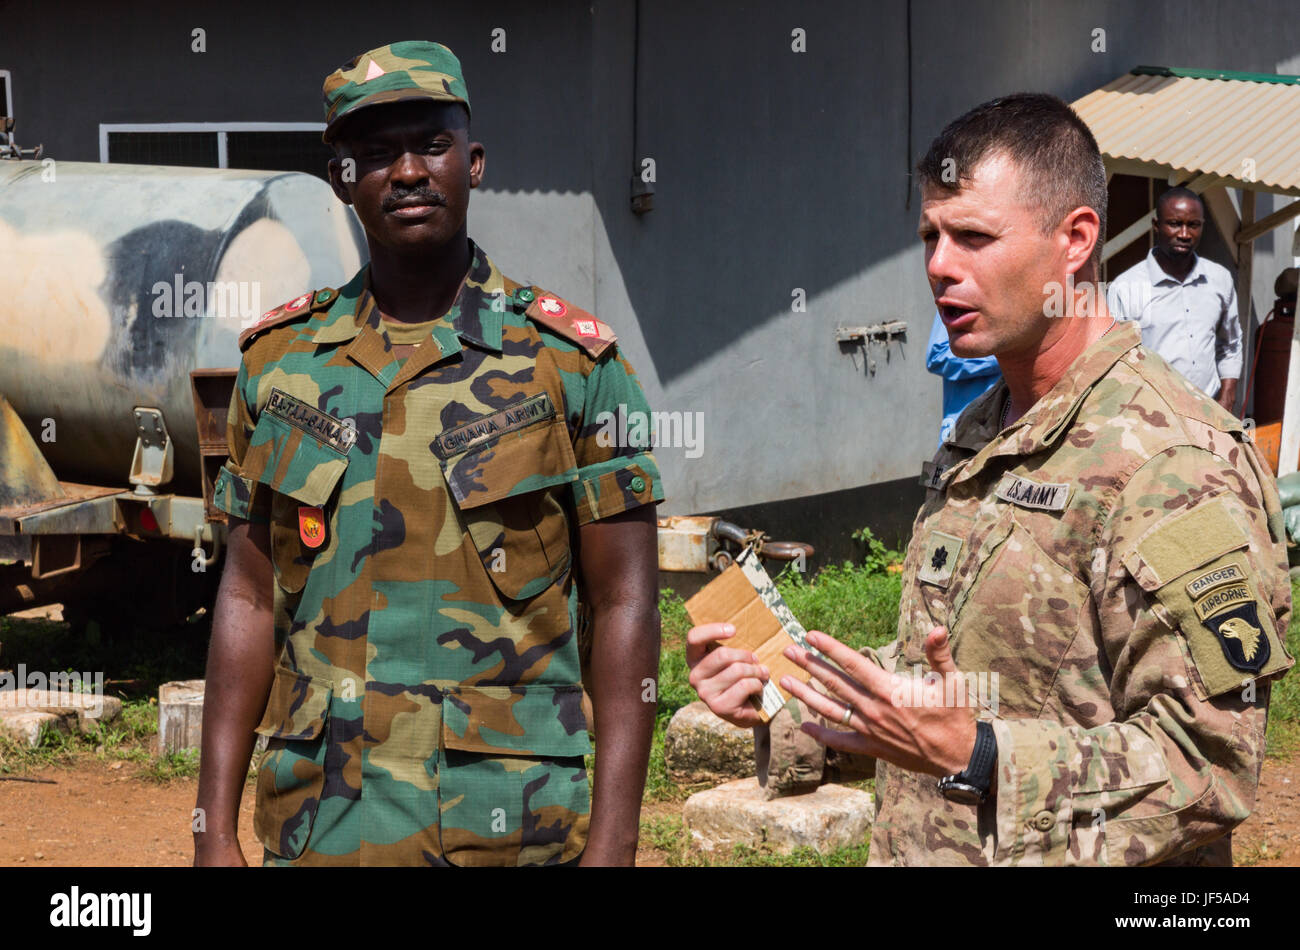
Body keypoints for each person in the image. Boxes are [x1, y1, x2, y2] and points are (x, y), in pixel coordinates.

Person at [688, 93, 1293, 865]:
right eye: (931, 237)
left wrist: (979, 756)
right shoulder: (985, 429)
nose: (940, 265)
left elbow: (1209, 768)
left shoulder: (1175, 460)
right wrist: (784, 697)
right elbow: (968, 680)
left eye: (973, 236)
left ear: (1074, 239)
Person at [193, 41, 663, 867]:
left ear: (474, 163)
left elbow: (625, 605)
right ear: (343, 180)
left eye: (432, 145)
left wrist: (615, 845)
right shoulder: (279, 364)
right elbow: (249, 593)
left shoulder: (572, 365)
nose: (407, 171)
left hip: (507, 833)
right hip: (320, 829)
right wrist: (212, 830)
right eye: (375, 154)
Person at [1106, 187, 1242, 412]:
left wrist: (1227, 397)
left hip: (1209, 415)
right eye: (1175, 224)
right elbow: (1115, 360)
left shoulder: (1219, 279)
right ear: (1156, 225)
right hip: (1152, 418)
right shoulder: (1126, 287)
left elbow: (1231, 344)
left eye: (1193, 225)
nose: (1185, 234)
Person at [926, 311, 1001, 445]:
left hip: (1007, 430)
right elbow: (937, 356)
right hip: (963, 429)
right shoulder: (959, 297)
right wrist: (1001, 357)